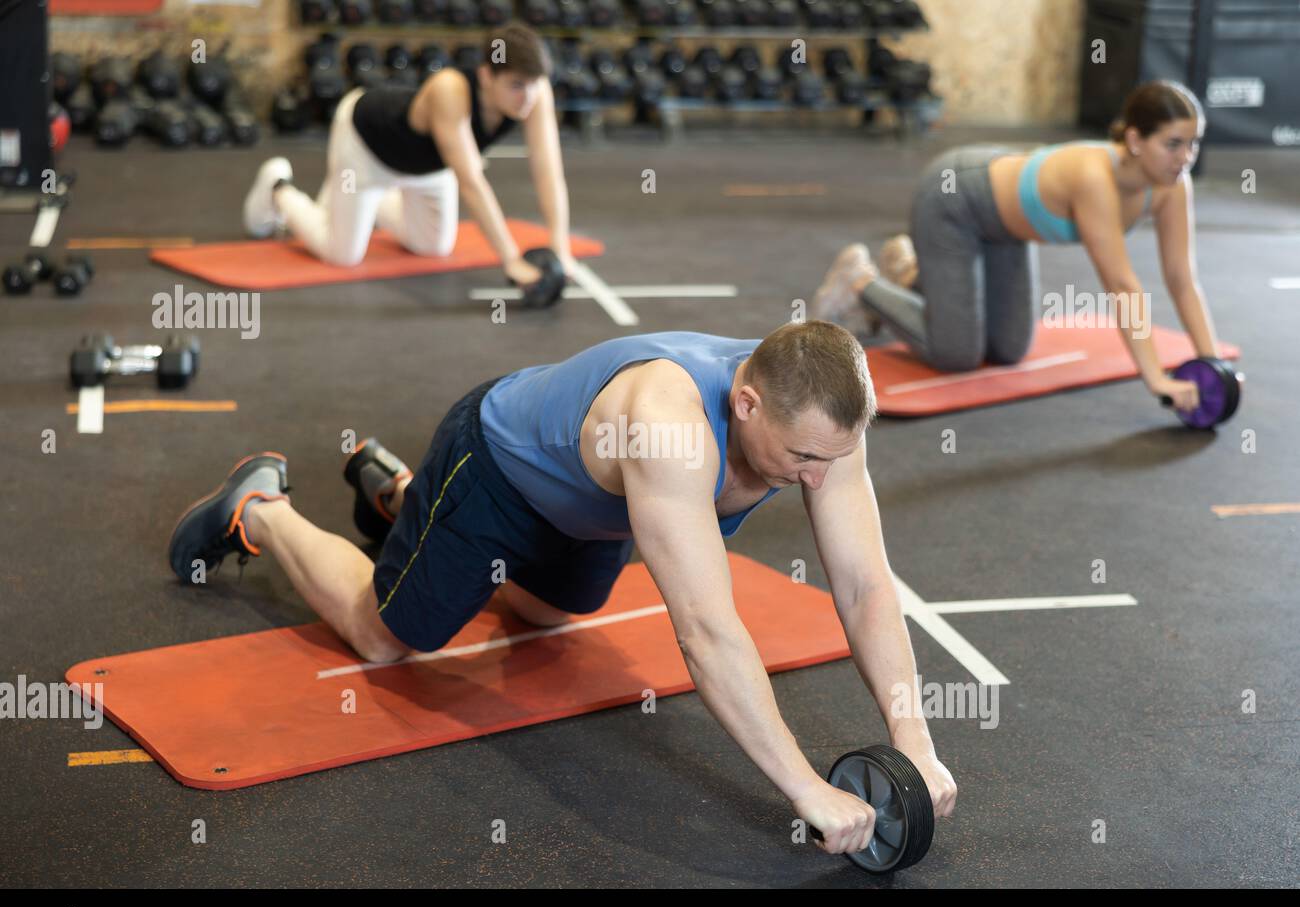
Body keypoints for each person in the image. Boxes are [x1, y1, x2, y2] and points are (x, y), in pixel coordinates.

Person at [166, 321, 957, 858]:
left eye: (832, 459)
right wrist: (806, 789)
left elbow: (863, 585)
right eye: (803, 462)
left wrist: (914, 739)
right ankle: (262, 508)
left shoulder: (821, 416)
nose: (820, 480)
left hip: (592, 512)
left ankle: (402, 499)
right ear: (746, 402)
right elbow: (709, 634)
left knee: (560, 611)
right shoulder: (669, 426)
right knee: (389, 635)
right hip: (497, 473)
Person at [813, 80, 1225, 415]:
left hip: (1005, 231)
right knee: (957, 353)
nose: (1185, 157)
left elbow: (1182, 280)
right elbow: (1122, 284)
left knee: (1008, 350)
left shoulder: (1172, 186)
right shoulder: (1095, 178)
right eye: (1173, 144)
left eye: (1194, 143)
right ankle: (859, 282)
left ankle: (911, 272)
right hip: (954, 199)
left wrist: (1212, 365)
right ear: (1135, 140)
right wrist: (1155, 379)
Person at [241, 22, 576, 293]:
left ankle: (360, 200)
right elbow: (471, 182)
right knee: (342, 255)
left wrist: (559, 244)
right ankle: (278, 188)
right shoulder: (451, 90)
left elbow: (548, 170)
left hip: (429, 166)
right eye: (517, 85)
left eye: (534, 84)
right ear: (487, 75)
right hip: (367, 145)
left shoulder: (534, 92)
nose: (527, 97)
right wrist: (511, 259)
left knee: (434, 246)